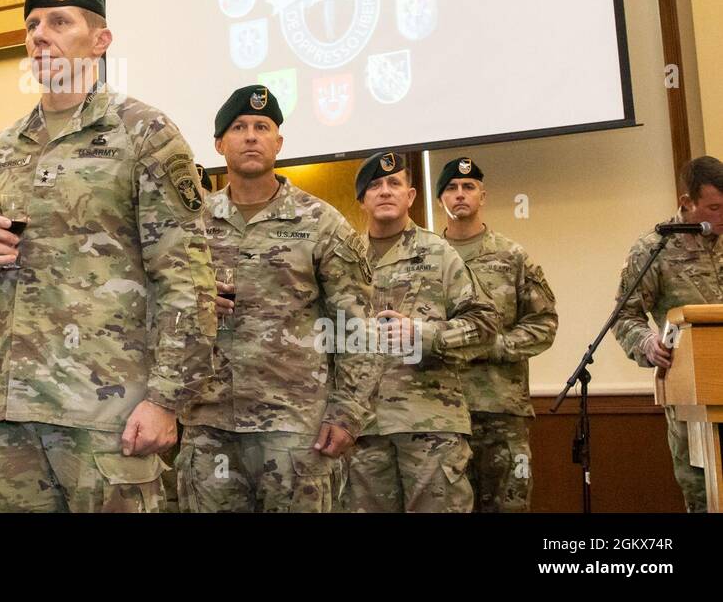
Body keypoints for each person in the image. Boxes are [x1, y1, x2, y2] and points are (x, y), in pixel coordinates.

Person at [0, 0, 217, 513]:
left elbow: (187, 280)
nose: (40, 35)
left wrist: (166, 399)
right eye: (33, 25)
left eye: (59, 22)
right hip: (9, 413)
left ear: (100, 41)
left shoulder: (144, 133)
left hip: (107, 414)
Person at [178, 86, 378, 512]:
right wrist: (192, 302)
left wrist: (348, 413)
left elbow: (356, 325)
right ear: (219, 144)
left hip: (293, 427)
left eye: (262, 127)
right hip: (207, 421)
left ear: (278, 142)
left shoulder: (320, 222)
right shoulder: (190, 225)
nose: (251, 136)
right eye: (239, 127)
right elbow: (159, 313)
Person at [342, 150, 498, 513]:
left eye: (394, 183)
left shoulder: (438, 253)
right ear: (362, 199)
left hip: (430, 425)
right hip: (361, 430)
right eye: (375, 185)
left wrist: (425, 336)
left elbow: (485, 324)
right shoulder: (344, 259)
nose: (385, 191)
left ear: (410, 196)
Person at [436, 158, 557, 512]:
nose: (460, 195)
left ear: (482, 195)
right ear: (441, 198)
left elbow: (544, 323)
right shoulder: (427, 257)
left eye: (468, 187)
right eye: (452, 189)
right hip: (443, 411)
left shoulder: (512, 257)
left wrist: (494, 346)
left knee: (509, 505)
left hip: (502, 410)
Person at [614, 155, 723, 513]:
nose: (722, 215)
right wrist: (647, 343)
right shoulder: (654, 248)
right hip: (692, 395)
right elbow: (624, 316)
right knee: (704, 495)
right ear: (686, 202)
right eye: (714, 207)